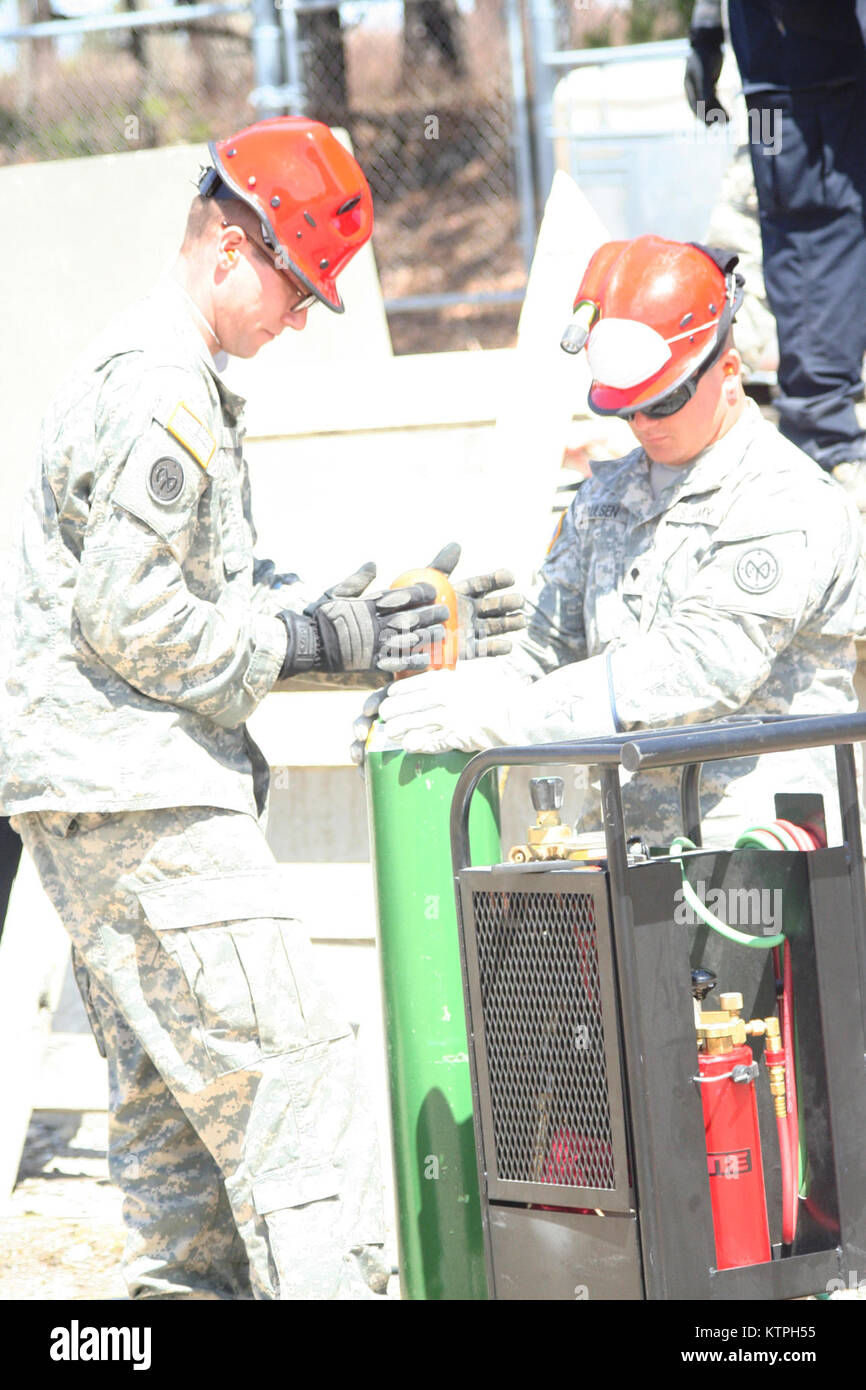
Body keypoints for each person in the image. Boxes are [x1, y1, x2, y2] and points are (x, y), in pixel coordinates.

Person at [0, 116, 522, 1299]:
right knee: (299, 1079)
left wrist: (351, 629)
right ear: (230, 247)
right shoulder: (164, 392)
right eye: (297, 288)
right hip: (146, 798)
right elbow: (136, 622)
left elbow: (196, 596)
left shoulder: (159, 376)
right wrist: (304, 638)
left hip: (102, 797)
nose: (300, 319)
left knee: (178, 1133)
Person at [370, 235, 865, 847]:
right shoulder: (604, 498)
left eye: (664, 402)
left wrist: (509, 720)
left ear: (729, 371)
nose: (644, 425)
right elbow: (543, 648)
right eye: (627, 411)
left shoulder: (786, 499)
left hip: (761, 856)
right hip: (623, 852)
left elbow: (706, 662)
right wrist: (441, 700)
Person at [685, 1, 866, 504]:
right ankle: (824, 448)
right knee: (811, 233)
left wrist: (704, 33)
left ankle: (822, 440)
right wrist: (705, 32)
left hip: (792, 66)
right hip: (794, 65)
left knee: (811, 230)